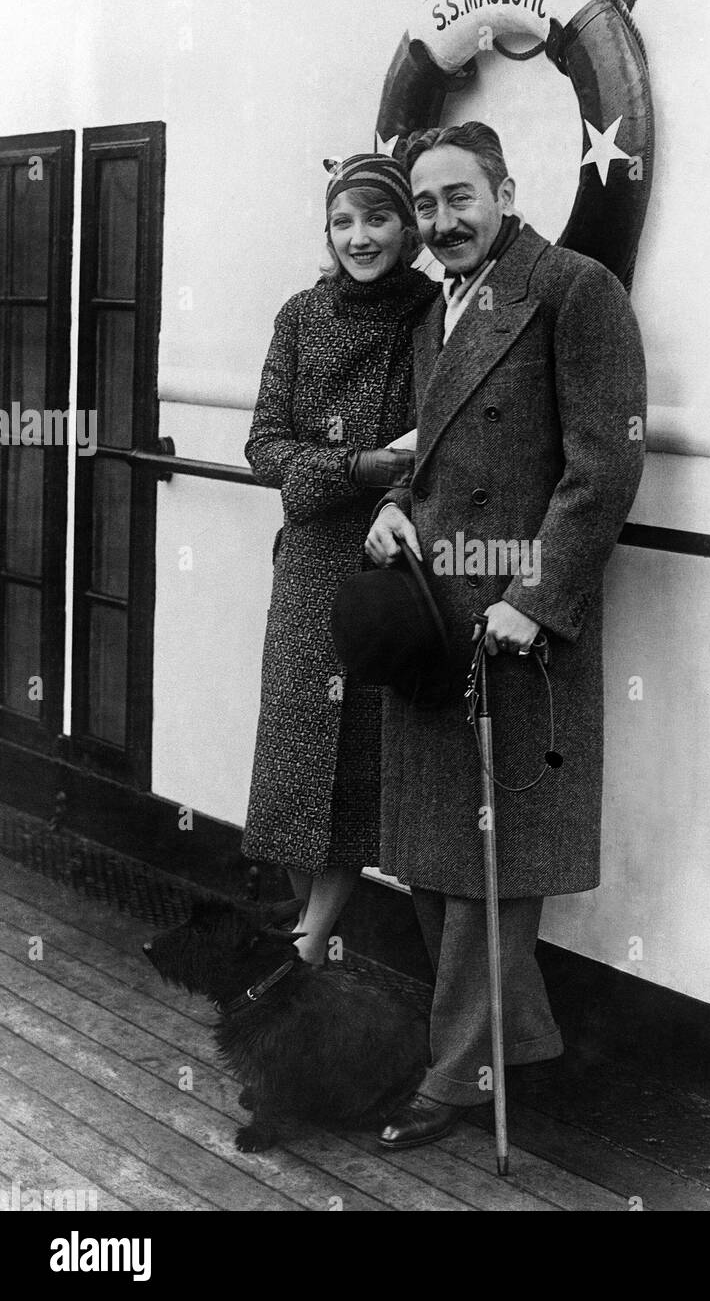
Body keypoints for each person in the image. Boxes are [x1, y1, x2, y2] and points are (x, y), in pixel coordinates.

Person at [365, 121, 647, 1147]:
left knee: (495, 863)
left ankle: (454, 1080)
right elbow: (424, 445)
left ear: (505, 189)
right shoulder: (435, 311)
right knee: (439, 856)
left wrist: (533, 596)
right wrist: (393, 499)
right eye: (426, 205)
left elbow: (604, 466)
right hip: (437, 616)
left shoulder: (576, 292)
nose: (441, 223)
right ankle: (505, 1046)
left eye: (458, 199)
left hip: (519, 628)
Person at [242, 153, 436, 966]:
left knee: (354, 774)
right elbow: (263, 447)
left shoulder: (436, 312)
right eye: (343, 222)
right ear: (327, 231)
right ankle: (309, 952)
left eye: (377, 218)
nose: (360, 237)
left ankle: (302, 956)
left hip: (386, 573)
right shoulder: (299, 315)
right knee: (291, 776)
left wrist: (396, 485)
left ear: (407, 227)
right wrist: (355, 466)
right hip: (309, 564)